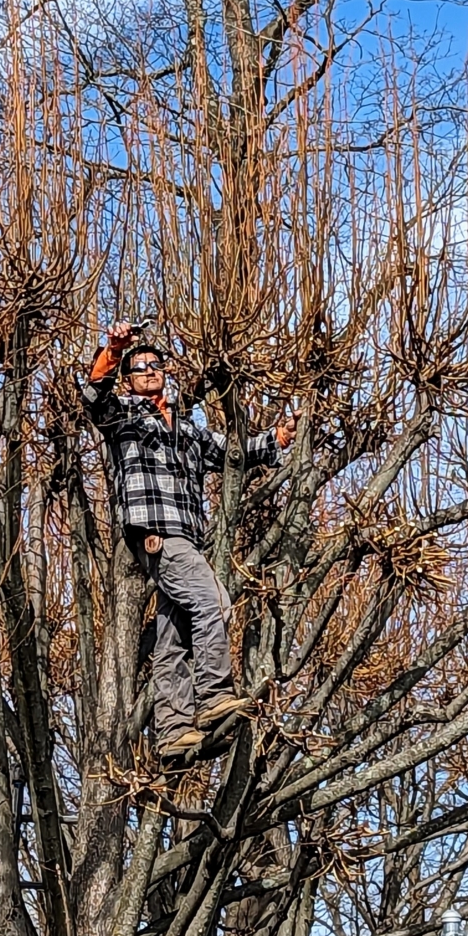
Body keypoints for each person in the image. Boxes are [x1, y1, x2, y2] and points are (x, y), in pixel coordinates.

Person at [83, 322, 295, 761]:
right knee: (212, 601)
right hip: (158, 535)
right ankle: (215, 695)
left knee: (172, 635)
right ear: (127, 378)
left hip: (187, 537)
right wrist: (114, 348)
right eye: (138, 367)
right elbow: (93, 398)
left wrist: (277, 439)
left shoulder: (189, 430)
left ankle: (174, 729)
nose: (149, 371)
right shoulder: (123, 418)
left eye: (155, 365)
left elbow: (235, 452)